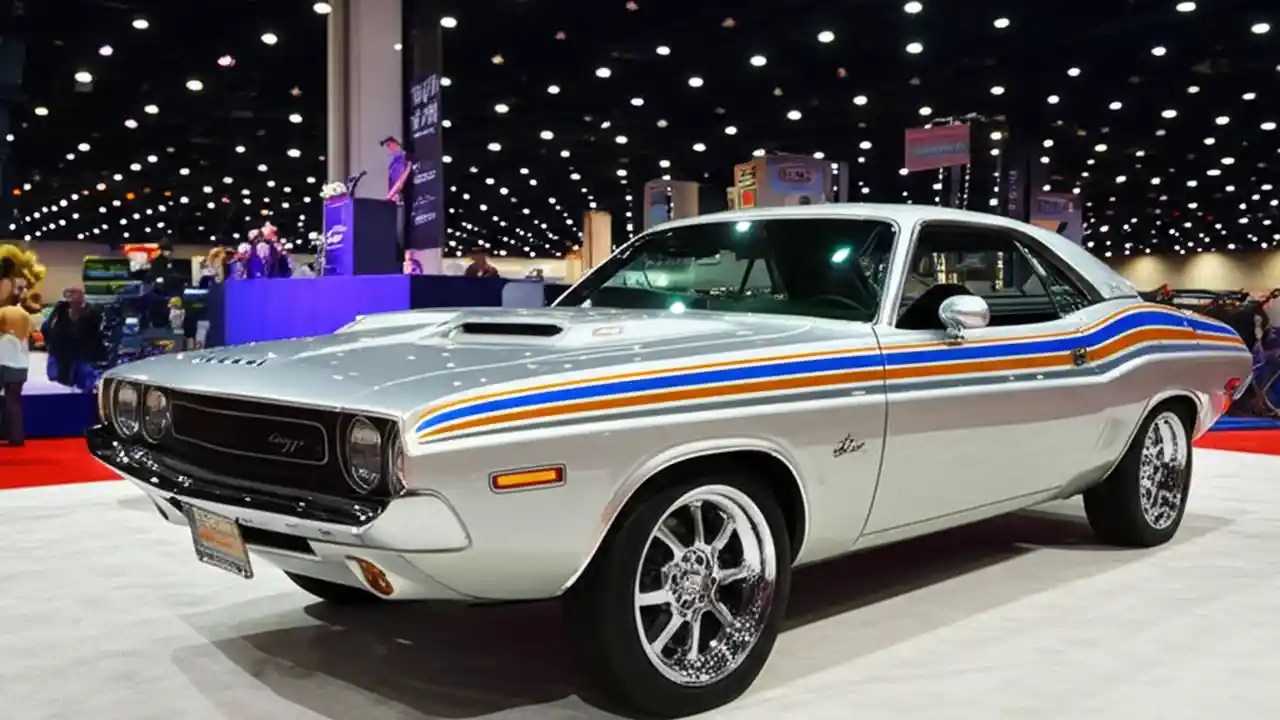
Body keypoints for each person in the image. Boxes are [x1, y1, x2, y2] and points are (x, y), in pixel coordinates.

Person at [42, 287, 103, 391]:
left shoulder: (92, 313)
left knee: (85, 383)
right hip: (61, 353)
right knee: (61, 382)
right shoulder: (60, 310)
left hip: (83, 355)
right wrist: (50, 343)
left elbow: (96, 332)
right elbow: (46, 327)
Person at [0, 305, 32, 447]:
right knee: (14, 403)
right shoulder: (23, 338)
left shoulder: (5, 339)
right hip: (20, 370)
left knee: (9, 403)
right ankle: (17, 437)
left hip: (5, 369)